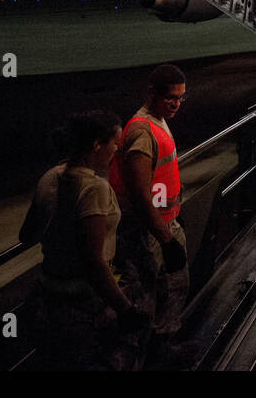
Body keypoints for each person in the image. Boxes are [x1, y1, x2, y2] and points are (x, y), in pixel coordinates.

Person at [36, 110, 148, 370]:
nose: (117, 150)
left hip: (49, 294)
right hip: (84, 303)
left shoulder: (49, 177)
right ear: (97, 145)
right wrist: (125, 309)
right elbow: (94, 262)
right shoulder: (94, 188)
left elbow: (28, 234)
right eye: (114, 143)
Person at [109, 63, 190, 368]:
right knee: (146, 297)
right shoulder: (142, 131)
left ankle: (161, 351)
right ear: (151, 94)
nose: (176, 104)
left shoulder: (157, 121)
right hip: (149, 232)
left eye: (181, 98)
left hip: (164, 222)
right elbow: (140, 194)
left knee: (172, 288)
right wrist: (166, 239)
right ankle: (144, 359)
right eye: (170, 98)